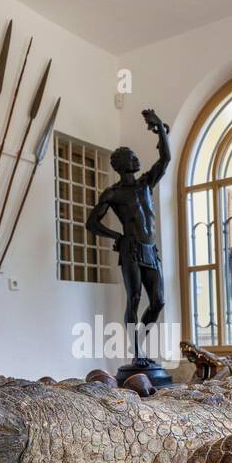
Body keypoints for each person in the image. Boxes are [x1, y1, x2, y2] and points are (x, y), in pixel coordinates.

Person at [86, 108, 171, 364]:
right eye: (132, 156)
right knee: (134, 299)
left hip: (149, 249)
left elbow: (165, 159)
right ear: (122, 164)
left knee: (158, 301)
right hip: (131, 248)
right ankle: (137, 354)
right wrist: (117, 236)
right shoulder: (113, 193)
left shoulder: (146, 183)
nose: (136, 159)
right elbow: (92, 223)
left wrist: (159, 129)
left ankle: (140, 347)